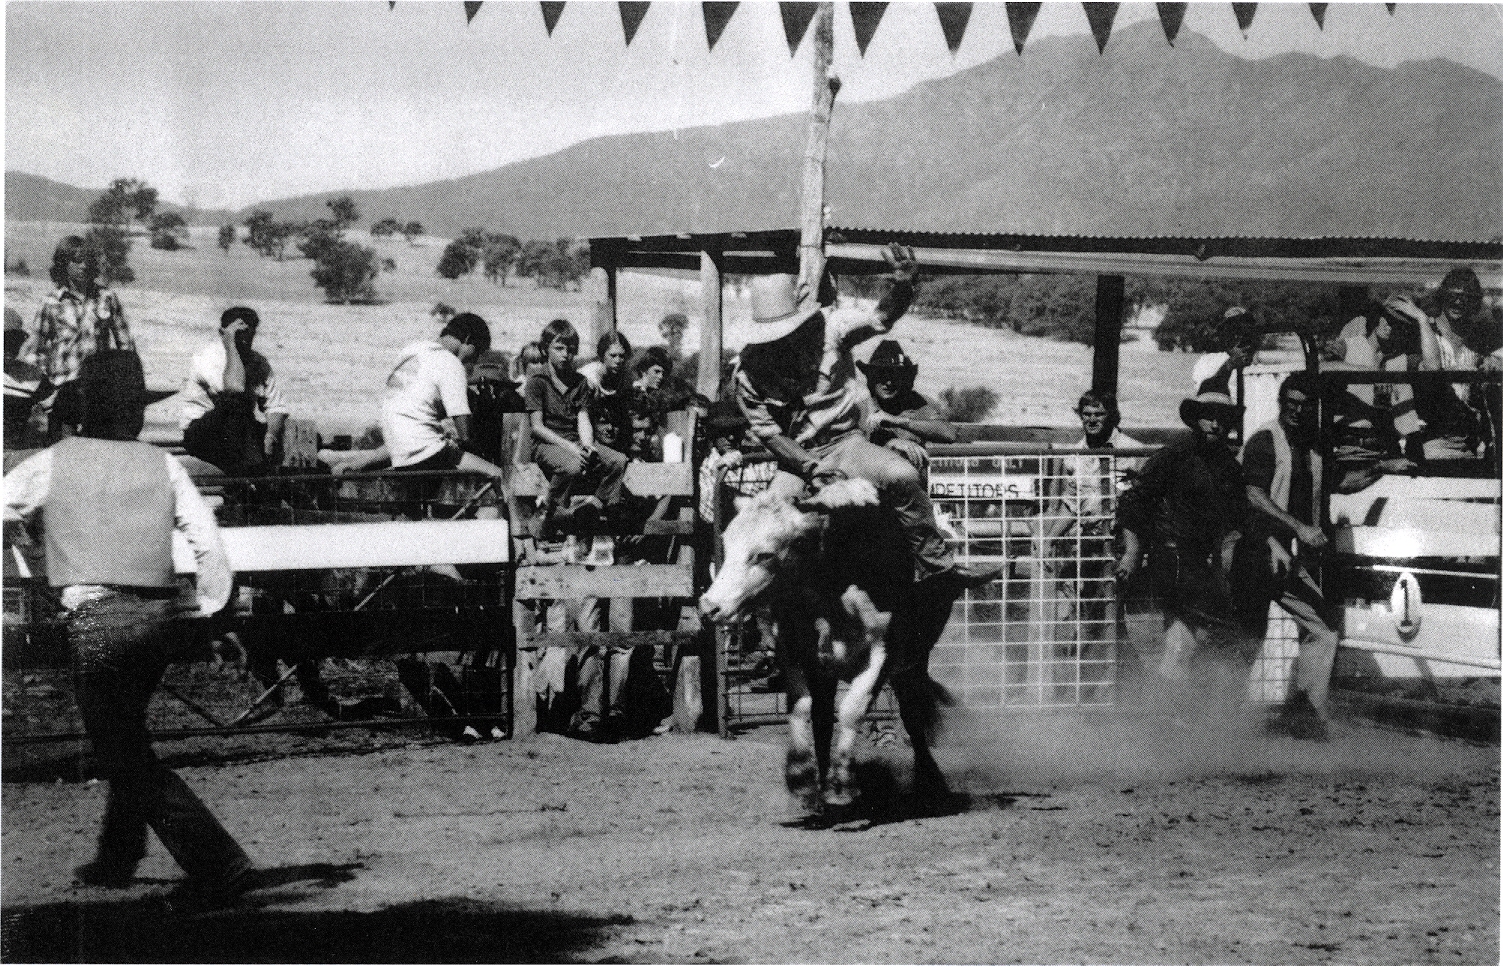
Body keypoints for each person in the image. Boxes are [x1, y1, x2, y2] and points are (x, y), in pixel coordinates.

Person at [3, 350, 255, 908]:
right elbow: (208, 541)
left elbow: (3, 507)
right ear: (134, 412)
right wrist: (211, 609)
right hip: (160, 616)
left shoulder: (53, 462)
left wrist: (28, 545)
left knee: (120, 748)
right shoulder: (162, 465)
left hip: (97, 619)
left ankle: (219, 863)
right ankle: (118, 855)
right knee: (126, 734)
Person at [732, 244, 998, 601]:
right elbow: (770, 434)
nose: (783, 343)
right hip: (795, 457)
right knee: (764, 523)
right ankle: (754, 608)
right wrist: (810, 467)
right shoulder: (747, 374)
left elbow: (880, 318)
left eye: (787, 333)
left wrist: (902, 285)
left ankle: (936, 564)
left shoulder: (831, 328)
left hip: (847, 445)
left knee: (902, 476)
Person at [1116, 387, 1252, 702]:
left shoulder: (1228, 465)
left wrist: (1227, 552)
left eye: (1222, 418)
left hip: (1203, 561)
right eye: (1208, 417)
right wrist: (1132, 552)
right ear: (1196, 420)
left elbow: (1236, 517)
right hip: (1172, 557)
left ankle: (1171, 710)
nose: (1215, 424)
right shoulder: (1174, 456)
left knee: (1197, 640)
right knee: (1185, 641)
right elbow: (1133, 502)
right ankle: (1167, 714)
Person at [1229, 372, 1339, 741]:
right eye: (1288, 403)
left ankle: (1306, 715)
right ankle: (1218, 719)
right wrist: (1298, 528)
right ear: (1281, 403)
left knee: (1322, 629)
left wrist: (1381, 468)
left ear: (1313, 408)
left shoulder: (1314, 446)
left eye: (1302, 405)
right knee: (1248, 634)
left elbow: (1336, 482)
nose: (1294, 410)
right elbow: (1253, 494)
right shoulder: (1264, 440)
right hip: (1252, 549)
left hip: (1286, 555)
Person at [1041, 391, 1146, 696]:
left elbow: (1143, 503)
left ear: (1111, 415)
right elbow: (1071, 504)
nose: (1092, 420)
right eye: (1086, 414)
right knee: (1095, 613)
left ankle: (1101, 689)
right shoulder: (1075, 455)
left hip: (1122, 540)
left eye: (1098, 414)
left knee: (1106, 614)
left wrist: (1134, 549)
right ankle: (1126, 687)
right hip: (1089, 541)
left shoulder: (1134, 452)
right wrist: (1050, 538)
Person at [526, 318, 627, 534]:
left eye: (571, 350)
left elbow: (583, 418)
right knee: (573, 465)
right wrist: (571, 448)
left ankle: (594, 505)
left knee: (618, 461)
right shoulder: (537, 381)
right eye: (559, 348)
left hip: (576, 441)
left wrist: (588, 445)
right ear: (546, 349)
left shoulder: (580, 382)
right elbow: (537, 427)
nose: (565, 354)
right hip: (547, 443)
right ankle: (549, 509)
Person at [26, 236, 135, 412]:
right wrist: (46, 387)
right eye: (77, 261)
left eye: (87, 261)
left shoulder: (106, 298)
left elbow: (126, 347)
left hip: (99, 392)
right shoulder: (51, 302)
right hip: (61, 392)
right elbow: (34, 350)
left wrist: (125, 384)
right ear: (63, 264)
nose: (83, 266)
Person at [179, 307, 290, 475]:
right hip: (203, 431)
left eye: (250, 333)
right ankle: (251, 472)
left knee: (299, 434)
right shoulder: (207, 358)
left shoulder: (259, 362)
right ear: (223, 333)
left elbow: (276, 406)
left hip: (240, 430)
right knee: (234, 406)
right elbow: (235, 388)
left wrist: (271, 435)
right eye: (239, 334)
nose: (245, 339)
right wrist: (230, 344)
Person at [857, 338, 956, 474]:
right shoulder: (859, 408)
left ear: (903, 379)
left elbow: (949, 434)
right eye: (882, 375)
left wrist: (896, 420)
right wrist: (891, 444)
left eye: (894, 376)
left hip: (912, 481)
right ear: (872, 377)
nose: (889, 382)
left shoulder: (915, 403)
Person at [4, 308, 53, 452]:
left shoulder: (33, 376)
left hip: (12, 454)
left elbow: (57, 416)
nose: (7, 348)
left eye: (13, 340)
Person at [1190, 308, 1259, 404]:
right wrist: (1228, 366)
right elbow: (1206, 398)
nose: (1240, 336)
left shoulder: (1265, 364)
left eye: (1247, 330)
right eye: (1234, 330)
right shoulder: (1207, 362)